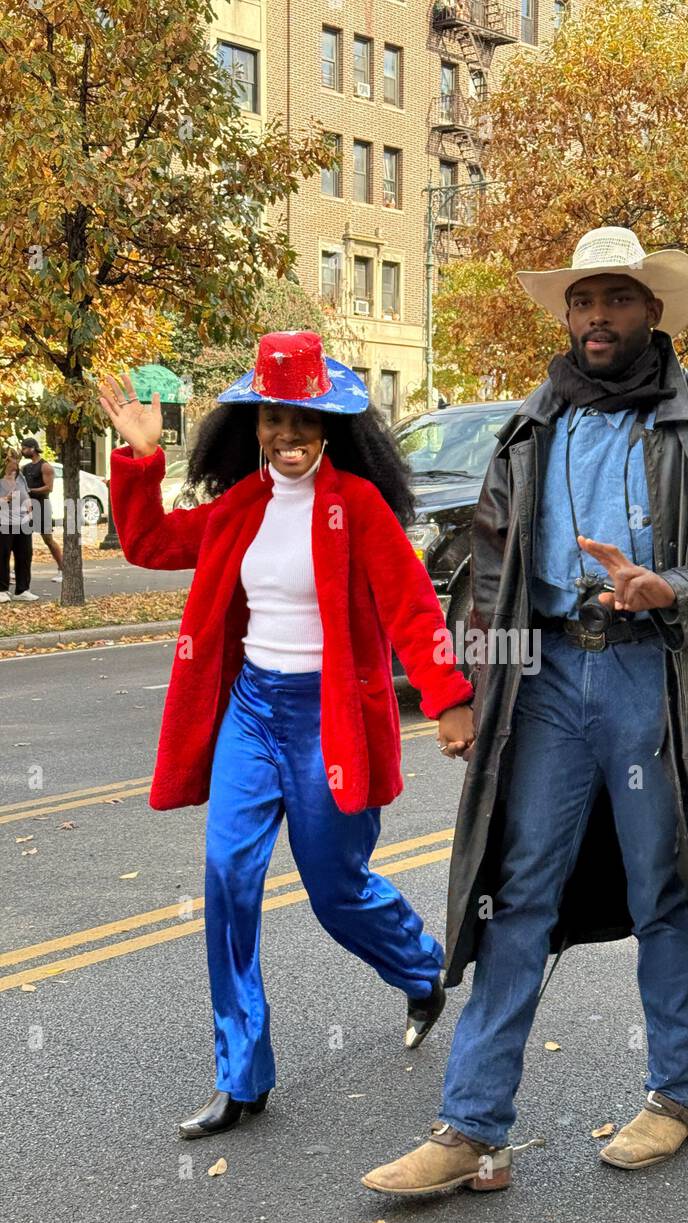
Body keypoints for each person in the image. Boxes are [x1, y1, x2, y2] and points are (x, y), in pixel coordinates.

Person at [362, 226, 688, 1196]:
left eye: (616, 298)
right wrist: (473, 691)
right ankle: (473, 1127)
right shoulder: (530, 427)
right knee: (515, 893)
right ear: (566, 315)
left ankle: (675, 1095)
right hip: (549, 679)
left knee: (666, 890)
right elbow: (489, 573)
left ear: (652, 311)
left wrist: (670, 588)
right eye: (583, 301)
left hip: (661, 680)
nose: (596, 317)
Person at [99, 332, 475, 1140]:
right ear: (255, 426)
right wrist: (140, 459)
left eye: (304, 420)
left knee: (337, 890)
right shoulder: (242, 505)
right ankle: (240, 1073)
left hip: (329, 719)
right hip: (251, 712)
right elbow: (151, 543)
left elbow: (413, 610)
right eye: (274, 420)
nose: (289, 435)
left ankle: (419, 969)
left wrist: (447, 698)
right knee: (227, 879)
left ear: (331, 427)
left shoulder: (358, 507)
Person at [19, 437, 63, 581]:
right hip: (28, 507)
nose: (22, 451)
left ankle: (63, 570)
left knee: (48, 539)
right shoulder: (25, 468)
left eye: (24, 448)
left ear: (32, 448)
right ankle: (18, 570)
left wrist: (30, 491)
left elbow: (49, 488)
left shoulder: (45, 466)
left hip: (42, 506)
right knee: (22, 540)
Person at [0, 448, 40, 602]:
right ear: (5, 461)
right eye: (13, 460)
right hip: (4, 522)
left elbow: (25, 492)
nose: (16, 463)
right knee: (3, 555)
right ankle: (2, 590)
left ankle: (22, 590)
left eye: (17, 460)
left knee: (24, 555)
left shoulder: (20, 476)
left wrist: (29, 505)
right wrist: (6, 499)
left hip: (23, 521)